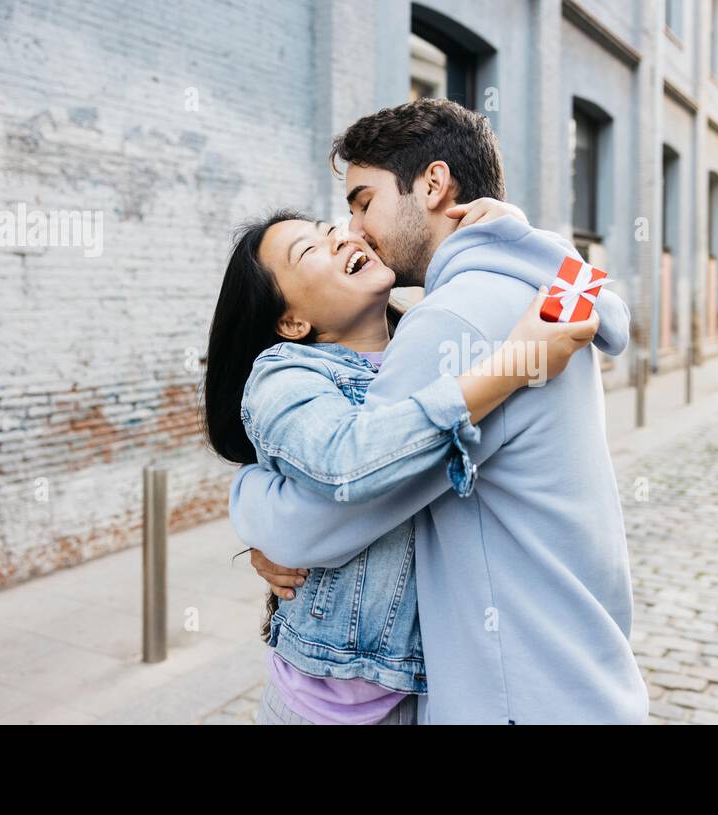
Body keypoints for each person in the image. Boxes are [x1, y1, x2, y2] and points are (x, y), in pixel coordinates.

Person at [232, 98, 648, 724]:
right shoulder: (535, 281)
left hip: (515, 690)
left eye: (363, 202)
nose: (354, 229)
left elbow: (341, 503)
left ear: (432, 183)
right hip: (577, 673)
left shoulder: (452, 320)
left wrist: (251, 498)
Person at [203, 204, 598, 724]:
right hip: (322, 703)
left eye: (332, 230)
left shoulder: (432, 345)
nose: (344, 237)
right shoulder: (283, 375)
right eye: (311, 250)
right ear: (291, 321)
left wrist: (509, 225)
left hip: (430, 692)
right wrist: (512, 366)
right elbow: (346, 461)